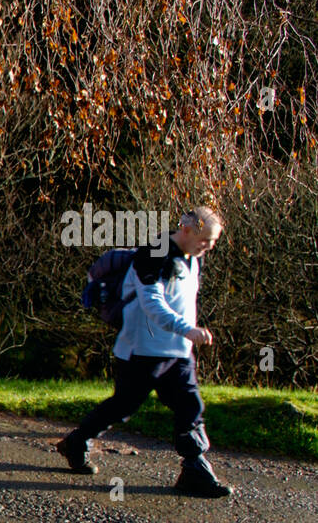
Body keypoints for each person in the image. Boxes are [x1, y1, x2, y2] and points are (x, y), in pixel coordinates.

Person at [55, 207, 232, 497]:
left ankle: (194, 469)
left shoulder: (192, 259)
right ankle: (76, 442)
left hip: (177, 352)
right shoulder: (152, 254)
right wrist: (187, 329)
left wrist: (185, 336)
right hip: (142, 349)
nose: (209, 246)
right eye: (205, 240)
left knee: (190, 406)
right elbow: (152, 304)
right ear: (186, 230)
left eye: (212, 241)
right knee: (123, 406)